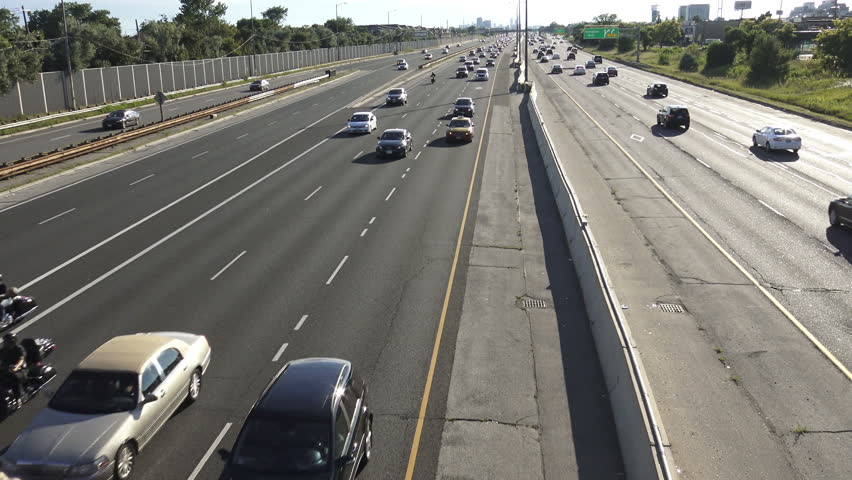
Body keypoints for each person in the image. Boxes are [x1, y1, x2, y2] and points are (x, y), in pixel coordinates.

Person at [0, 333, 26, 408]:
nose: (5, 343)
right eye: (5, 341)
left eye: (7, 341)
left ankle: (19, 397)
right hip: (5, 370)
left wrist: (16, 367)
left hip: (19, 370)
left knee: (15, 378)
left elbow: (21, 359)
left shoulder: (19, 349)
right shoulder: (2, 351)